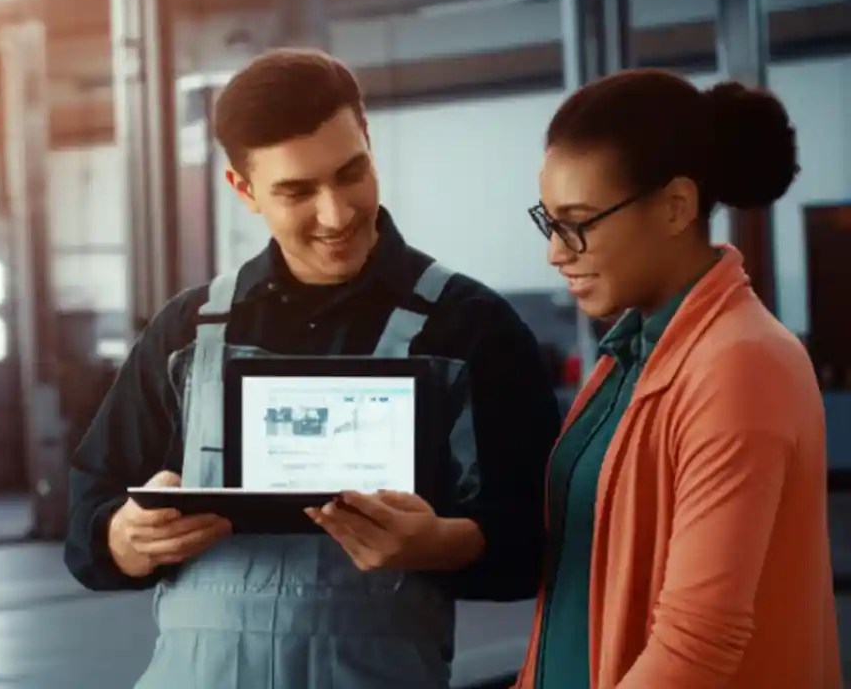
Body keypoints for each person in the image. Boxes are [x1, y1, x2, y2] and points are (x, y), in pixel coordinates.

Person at [63, 47, 562, 688]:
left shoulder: (471, 330)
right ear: (242, 190)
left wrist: (442, 543)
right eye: (297, 191)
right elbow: (87, 525)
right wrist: (125, 539)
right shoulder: (186, 335)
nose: (337, 213)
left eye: (351, 172)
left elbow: (538, 542)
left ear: (369, 144)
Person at [515, 68, 844, 688]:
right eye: (549, 222)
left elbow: (697, 645)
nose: (556, 252)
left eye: (577, 223)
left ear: (675, 207)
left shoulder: (740, 364)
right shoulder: (630, 355)